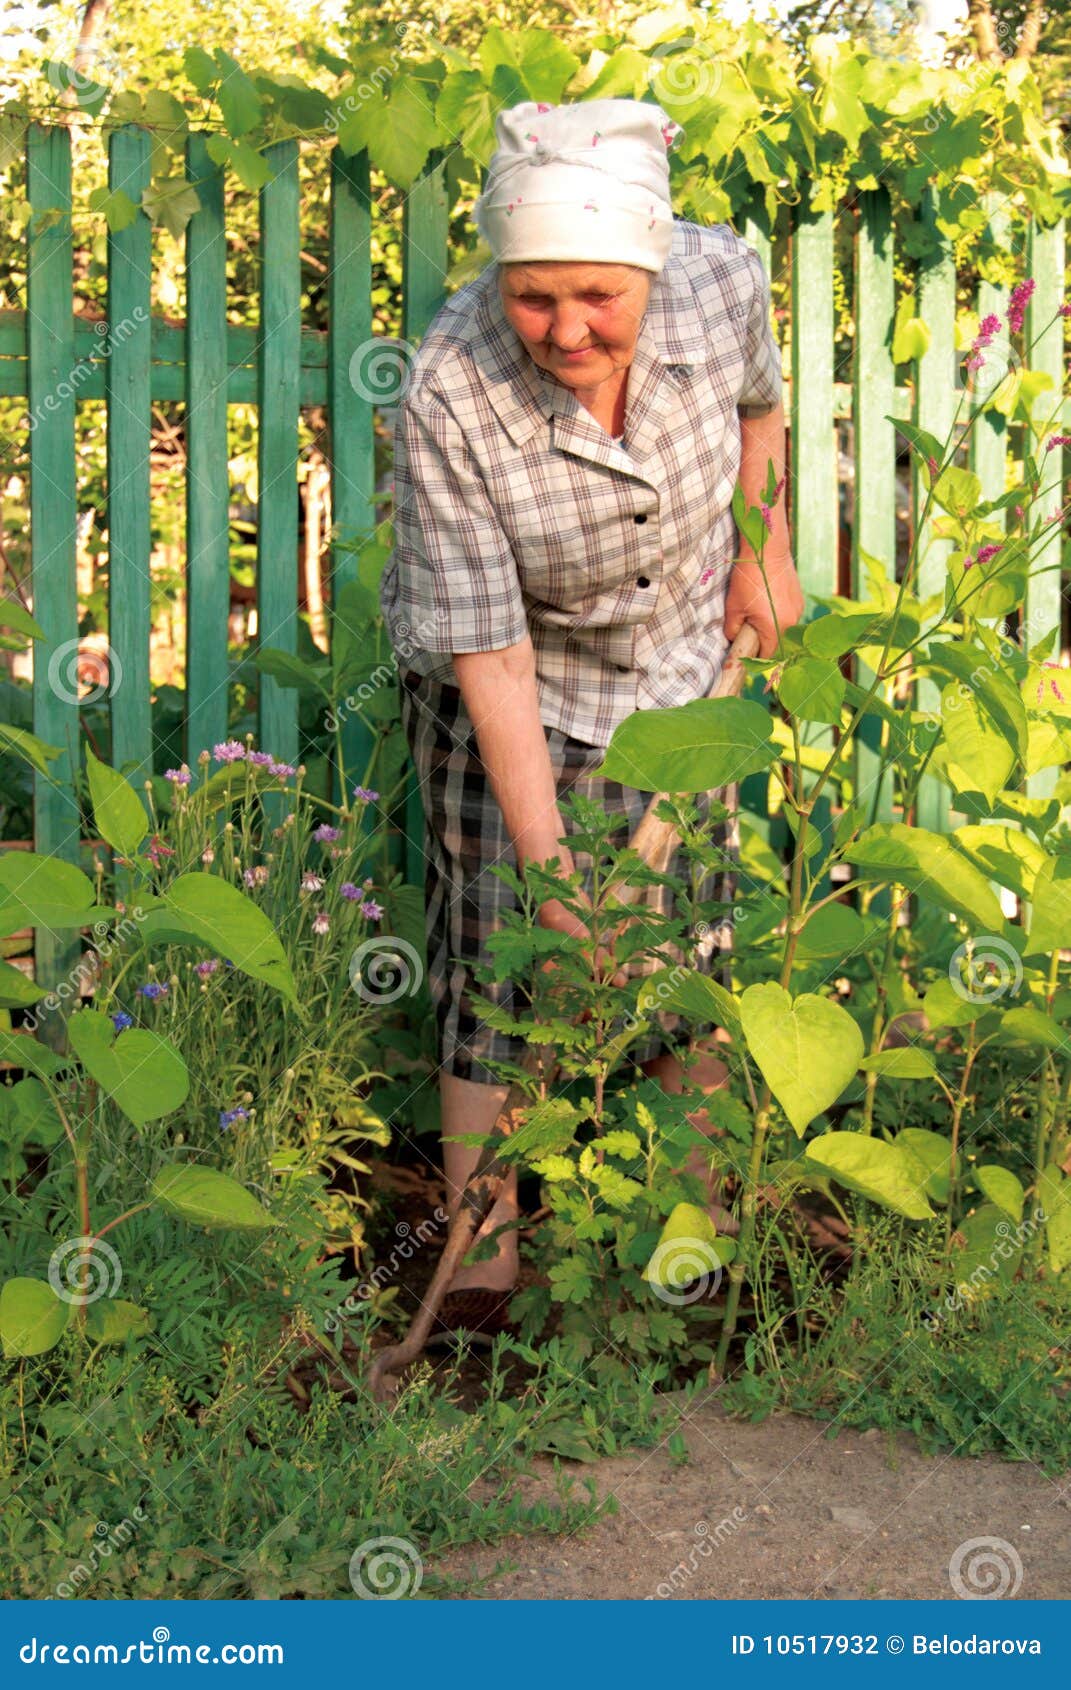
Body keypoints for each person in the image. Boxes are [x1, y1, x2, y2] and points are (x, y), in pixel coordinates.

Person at [379, 96, 803, 1335]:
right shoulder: (450, 388)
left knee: (690, 951)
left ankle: (685, 1254)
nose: (565, 330)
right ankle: (478, 1285)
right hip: (519, 679)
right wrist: (552, 859)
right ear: (498, 279)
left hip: (680, 663)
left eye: (597, 299)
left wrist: (763, 550)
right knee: (508, 963)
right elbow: (493, 656)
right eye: (534, 297)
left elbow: (758, 413)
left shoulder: (722, 278)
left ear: (654, 269)